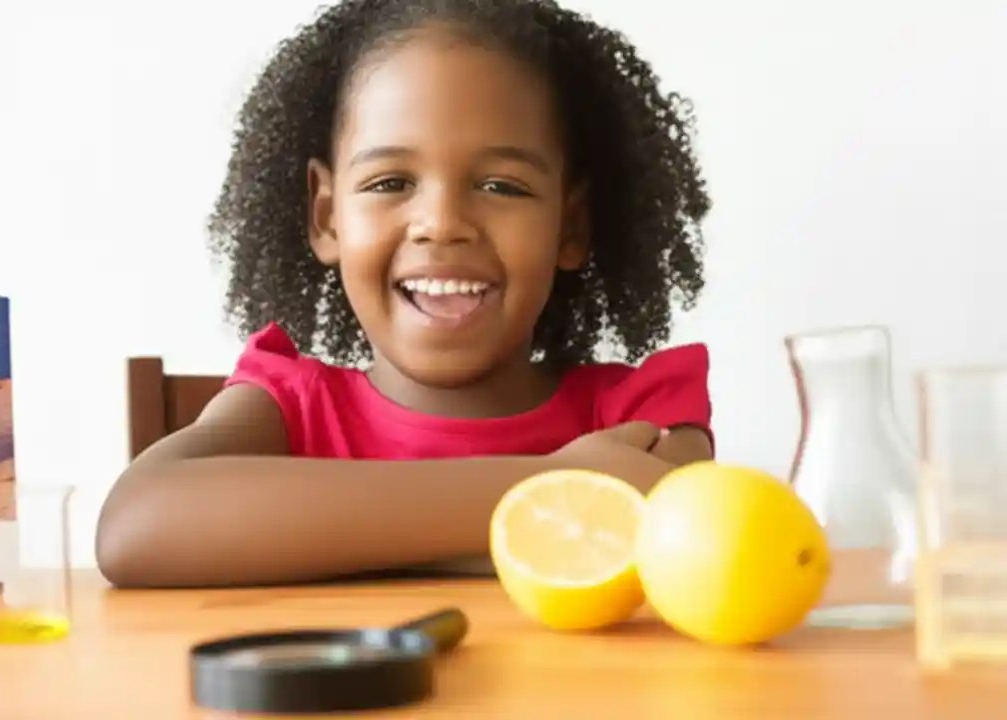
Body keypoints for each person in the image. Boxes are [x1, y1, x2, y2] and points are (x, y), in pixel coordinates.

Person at [97, 0, 715, 588]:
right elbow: (134, 526)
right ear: (327, 216)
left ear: (571, 226)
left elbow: (684, 538)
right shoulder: (287, 409)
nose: (442, 222)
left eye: (502, 186)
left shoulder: (638, 418)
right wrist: (550, 487)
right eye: (390, 181)